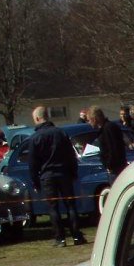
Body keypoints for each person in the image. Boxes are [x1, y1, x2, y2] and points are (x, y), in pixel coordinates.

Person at [29, 105, 86, 247]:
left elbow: (32, 163)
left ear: (37, 118)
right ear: (47, 117)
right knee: (70, 205)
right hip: (64, 173)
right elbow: (71, 155)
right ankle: (77, 235)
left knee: (53, 208)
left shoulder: (35, 138)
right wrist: (74, 172)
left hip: (47, 175)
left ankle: (60, 238)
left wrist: (35, 181)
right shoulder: (61, 133)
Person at [88, 106, 127, 180]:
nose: (89, 123)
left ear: (94, 119)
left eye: (89, 120)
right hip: (113, 169)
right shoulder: (104, 129)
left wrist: (109, 165)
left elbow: (113, 148)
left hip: (116, 169)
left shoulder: (108, 128)